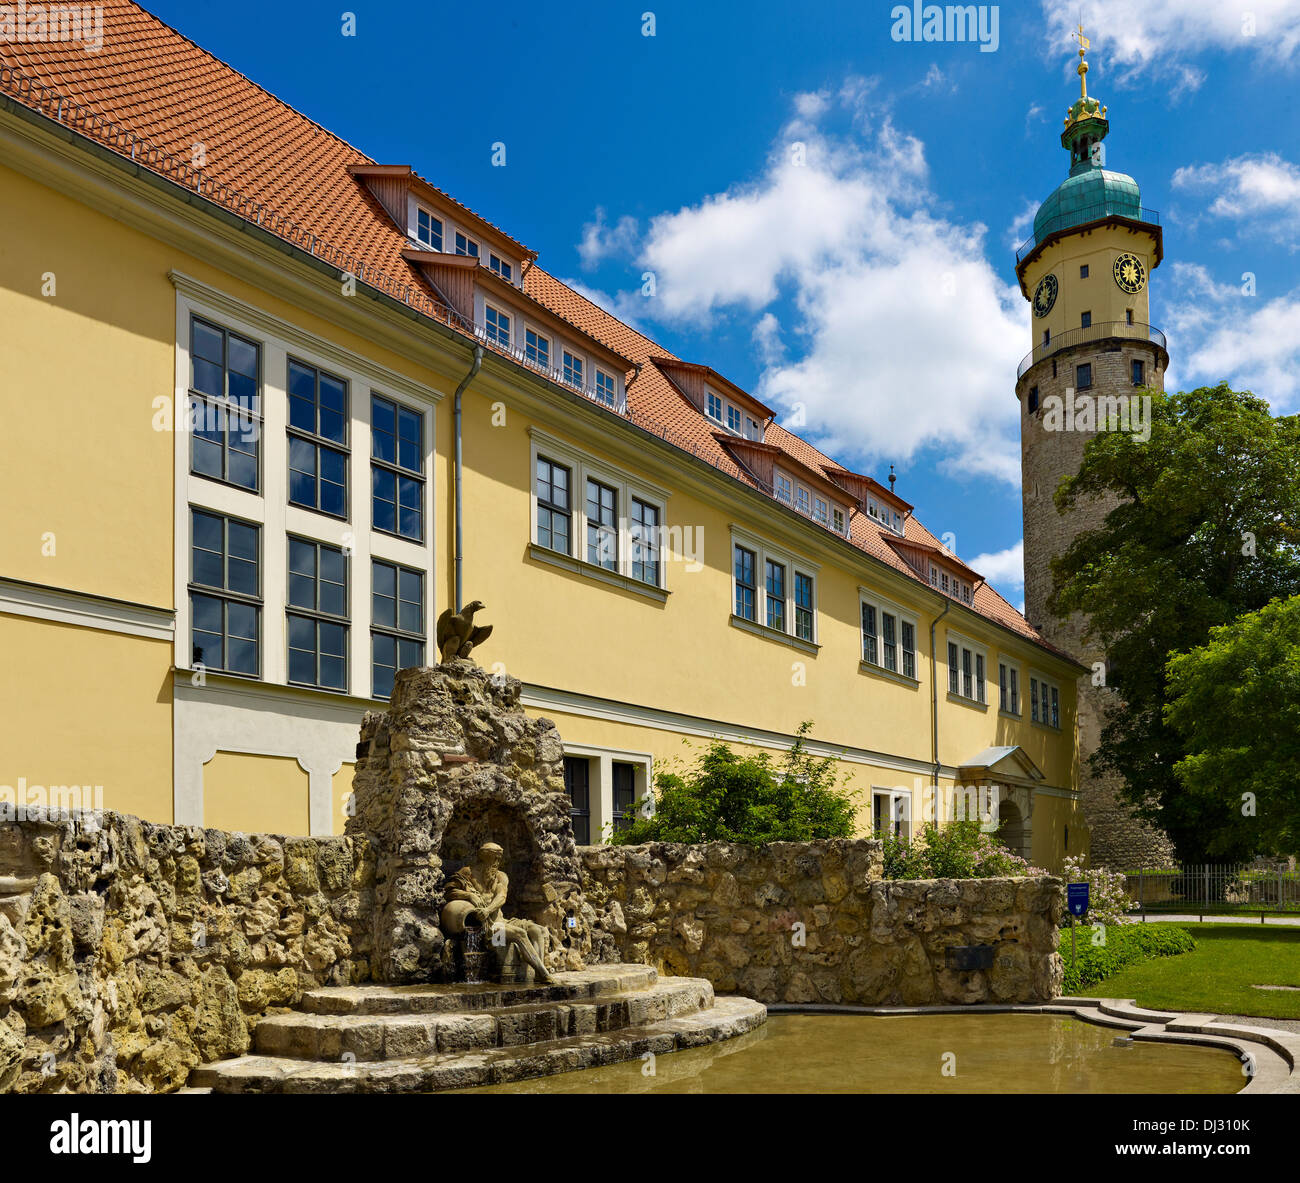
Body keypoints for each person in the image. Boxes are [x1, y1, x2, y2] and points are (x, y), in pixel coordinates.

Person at [442, 842, 556, 983]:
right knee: (520, 933)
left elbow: (501, 896)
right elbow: (449, 892)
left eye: (499, 858)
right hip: (490, 930)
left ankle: (538, 971)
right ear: (483, 857)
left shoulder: (500, 876)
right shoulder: (467, 873)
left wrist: (487, 910)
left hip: (502, 921)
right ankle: (543, 973)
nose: (497, 862)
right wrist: (469, 895)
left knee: (536, 930)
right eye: (494, 857)